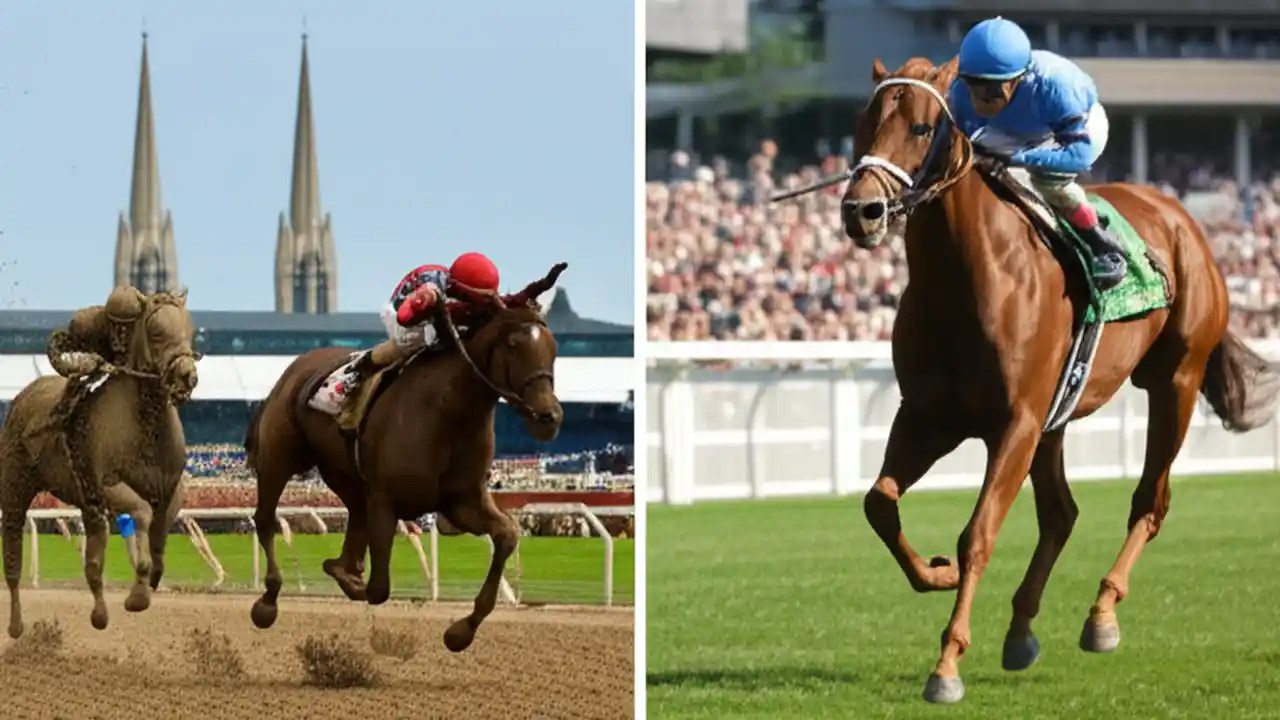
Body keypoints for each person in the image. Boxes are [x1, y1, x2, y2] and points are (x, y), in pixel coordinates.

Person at [949, 16, 1127, 290]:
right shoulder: (960, 92)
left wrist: (1019, 159)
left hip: (1074, 130)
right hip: (1013, 130)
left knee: (1047, 182)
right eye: (972, 84)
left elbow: (1079, 156)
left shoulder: (1058, 87)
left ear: (1017, 79)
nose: (978, 99)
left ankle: (1101, 244)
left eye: (990, 89)